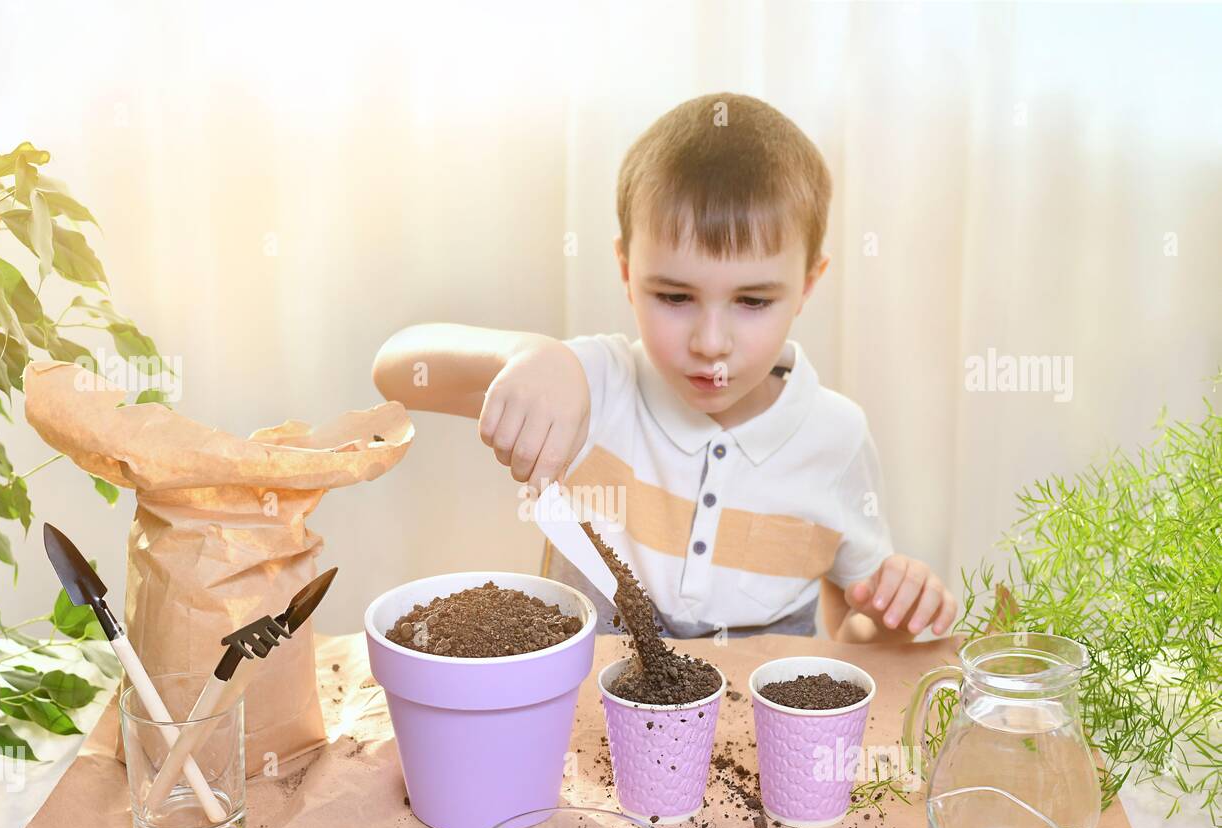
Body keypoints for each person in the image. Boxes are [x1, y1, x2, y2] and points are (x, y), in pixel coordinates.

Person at [373, 92, 957, 642]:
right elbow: (397, 367)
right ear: (626, 270)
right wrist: (527, 355)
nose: (710, 342)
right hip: (580, 739)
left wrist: (889, 624)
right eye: (675, 297)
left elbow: (848, 629)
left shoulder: (837, 438)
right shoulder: (591, 385)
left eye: (752, 302)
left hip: (756, 747)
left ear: (808, 285)